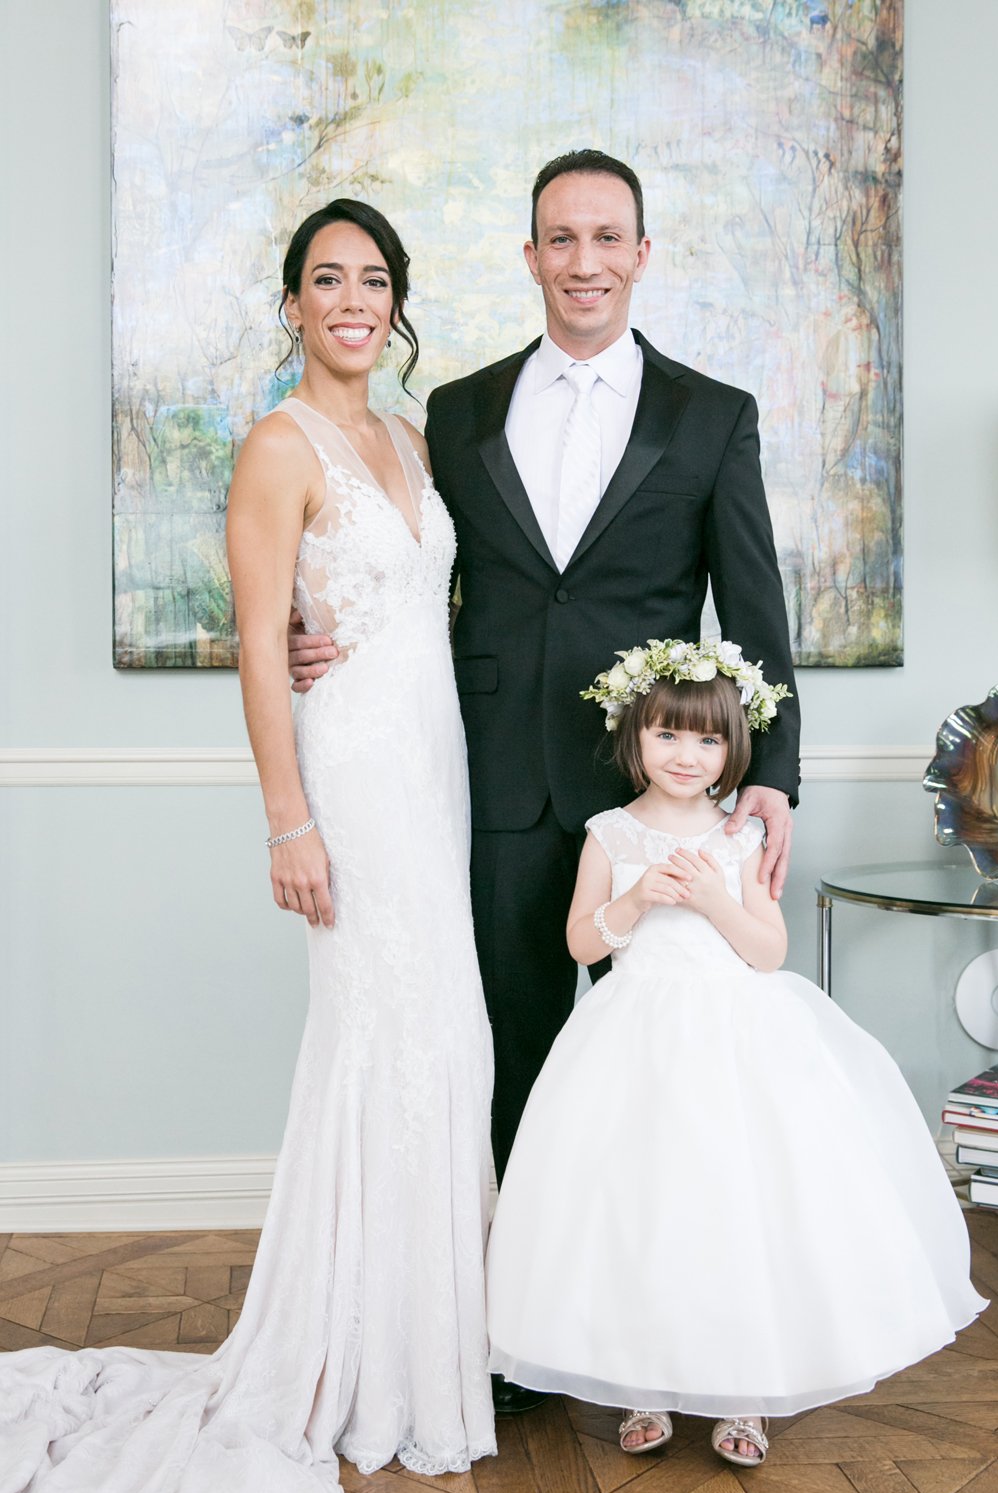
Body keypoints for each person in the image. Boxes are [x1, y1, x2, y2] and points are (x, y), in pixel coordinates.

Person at [289, 149, 801, 1412]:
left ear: (641, 254)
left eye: (605, 238)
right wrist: (314, 629)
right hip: (489, 785)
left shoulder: (711, 414)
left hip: (660, 805)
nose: (583, 262)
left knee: (666, 1077)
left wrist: (773, 778)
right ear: (529, 257)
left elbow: (753, 604)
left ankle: (668, 1337)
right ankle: (524, 1334)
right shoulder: (457, 413)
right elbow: (394, 553)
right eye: (559, 240)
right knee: (509, 1062)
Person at [0, 201, 496, 1493]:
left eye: (373, 279)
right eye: (327, 279)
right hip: (355, 778)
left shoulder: (409, 437)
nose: (352, 300)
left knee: (446, 1037)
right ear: (292, 306)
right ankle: (349, 1363)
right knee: (379, 1039)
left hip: (435, 765)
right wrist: (290, 817)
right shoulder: (279, 447)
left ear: (396, 303)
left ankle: (426, 1348)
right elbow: (259, 646)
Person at [484, 639, 986, 1467]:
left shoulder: (742, 835)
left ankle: (744, 1390)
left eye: (708, 740)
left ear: (733, 748)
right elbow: (581, 944)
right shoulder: (609, 834)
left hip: (735, 1041)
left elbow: (767, 952)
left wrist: (716, 900)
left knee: (737, 1209)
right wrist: (637, 899)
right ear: (634, 736)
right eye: (668, 736)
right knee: (639, 1209)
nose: (687, 756)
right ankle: (640, 1385)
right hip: (633, 1040)